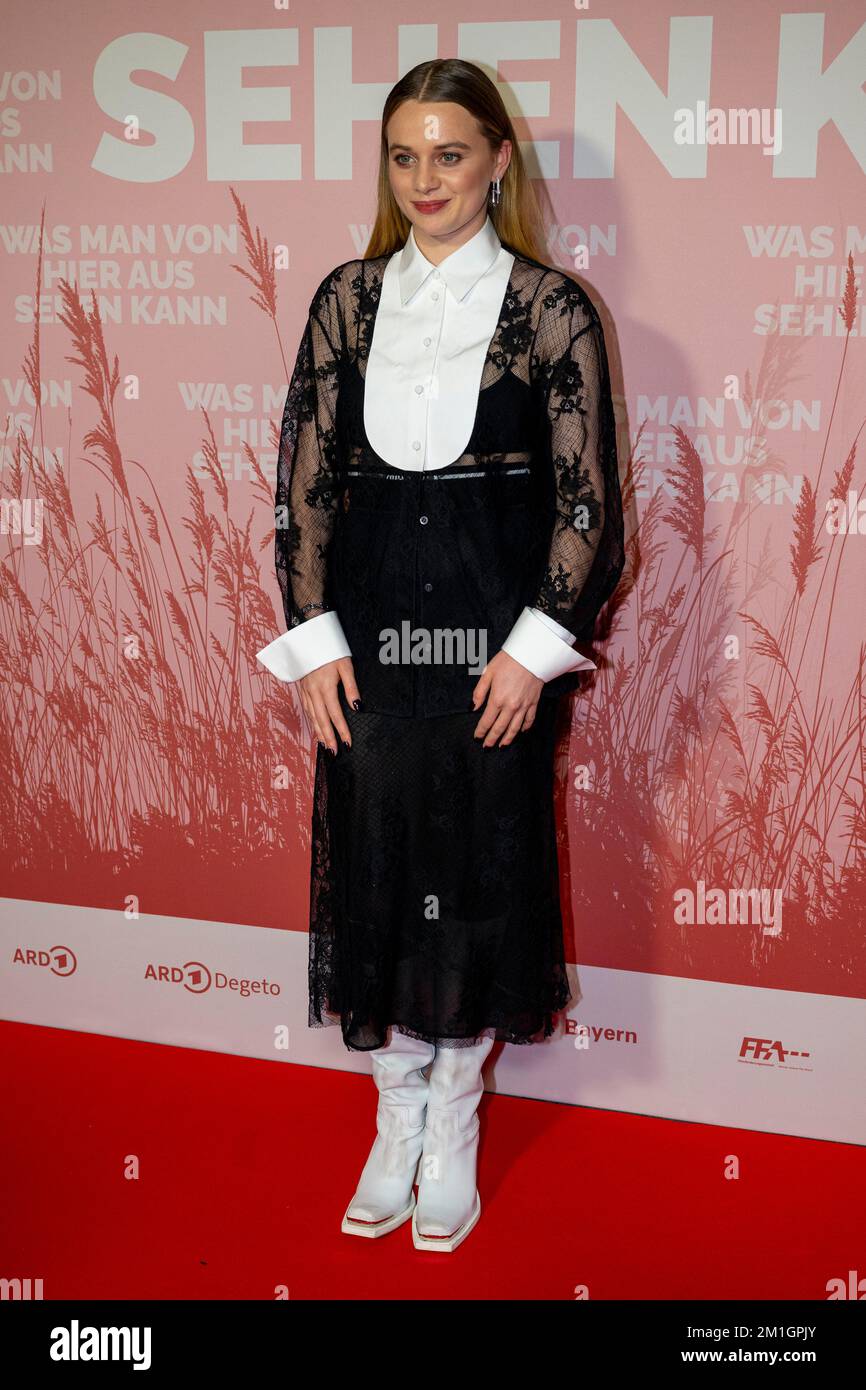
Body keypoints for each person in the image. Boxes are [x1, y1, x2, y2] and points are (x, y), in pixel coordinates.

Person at [256, 57, 624, 1253]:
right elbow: (304, 485)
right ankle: (393, 1118)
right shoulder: (346, 301)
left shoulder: (551, 308)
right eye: (404, 157)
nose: (426, 180)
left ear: (497, 162)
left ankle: (454, 1124)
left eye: (450, 154)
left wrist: (532, 651)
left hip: (489, 655)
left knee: (471, 890)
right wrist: (310, 646)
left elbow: (586, 509)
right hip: (364, 651)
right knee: (374, 877)